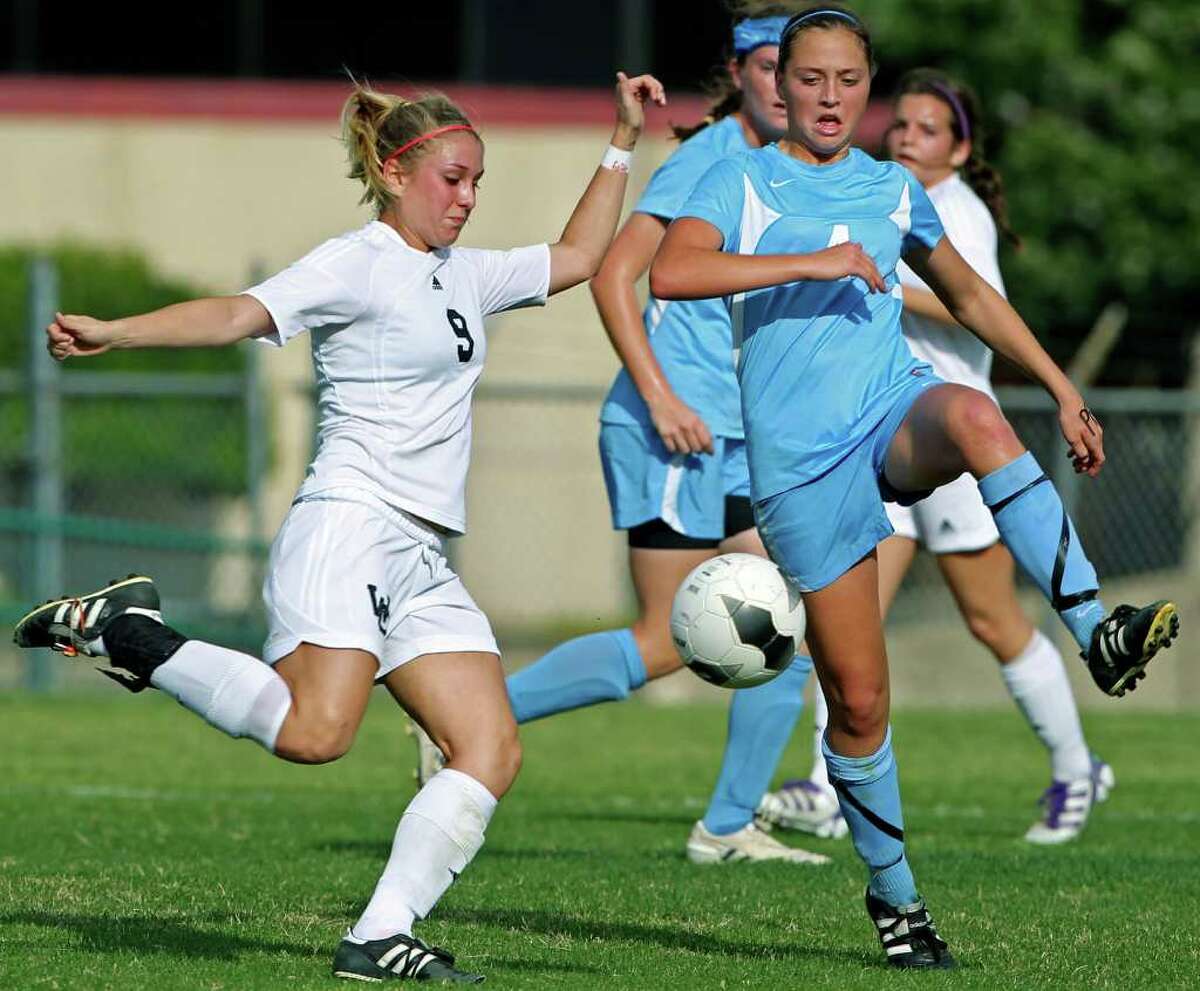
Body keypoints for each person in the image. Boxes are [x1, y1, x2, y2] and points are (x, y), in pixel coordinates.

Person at [13, 71, 666, 984]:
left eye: (477, 180)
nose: (468, 197)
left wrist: (622, 139)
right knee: (316, 734)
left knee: (489, 747)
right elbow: (240, 312)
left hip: (420, 554)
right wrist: (118, 333)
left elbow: (580, 254)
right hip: (350, 525)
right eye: (452, 179)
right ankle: (129, 634)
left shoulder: (466, 273)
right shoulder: (355, 261)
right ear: (395, 174)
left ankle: (379, 935)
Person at [650, 4, 1178, 969]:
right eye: (810, 78)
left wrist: (1062, 387)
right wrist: (813, 260)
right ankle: (896, 900)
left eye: (849, 81)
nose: (829, 97)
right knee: (858, 703)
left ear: (869, 89)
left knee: (975, 415)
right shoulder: (741, 179)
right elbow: (672, 272)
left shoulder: (892, 187)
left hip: (890, 409)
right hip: (800, 470)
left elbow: (971, 294)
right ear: (779, 84)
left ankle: (1096, 628)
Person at [497, 2, 839, 866]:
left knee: (788, 626)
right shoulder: (709, 159)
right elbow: (614, 277)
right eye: (769, 67)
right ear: (739, 73)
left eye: (799, 69)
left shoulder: (792, 168)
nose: (786, 85)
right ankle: (472, 714)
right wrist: (660, 397)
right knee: (668, 638)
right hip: (676, 432)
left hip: (735, 438)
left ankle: (726, 826)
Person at [759, 68, 1115, 846]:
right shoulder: (879, 193)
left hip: (951, 436)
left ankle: (1077, 766)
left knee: (993, 619)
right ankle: (827, 787)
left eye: (928, 129)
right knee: (845, 618)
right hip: (879, 433)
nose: (907, 138)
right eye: (901, 124)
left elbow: (972, 300)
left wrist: (880, 268)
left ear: (958, 150)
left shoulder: (955, 209)